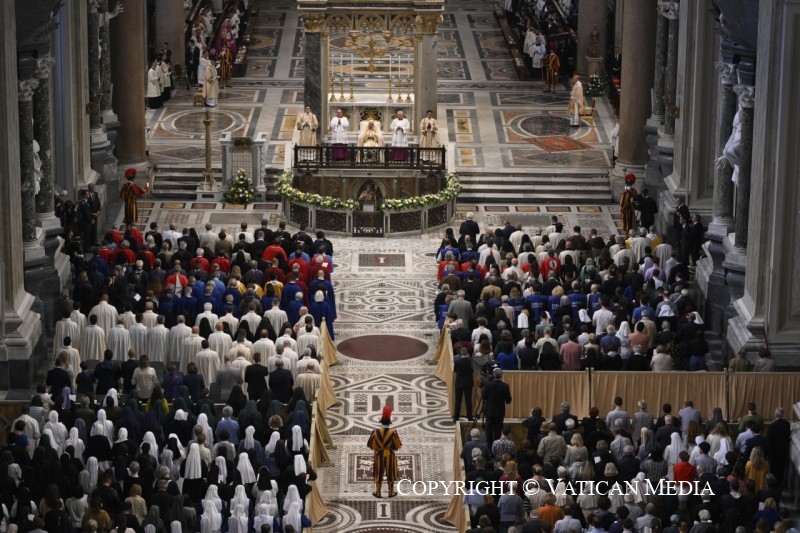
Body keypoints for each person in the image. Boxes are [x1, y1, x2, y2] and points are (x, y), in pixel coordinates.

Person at [367, 405, 403, 498]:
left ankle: (378, 492)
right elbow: (397, 446)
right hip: (389, 454)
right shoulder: (393, 433)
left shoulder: (375, 432)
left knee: (378, 472)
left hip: (378, 455)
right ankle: (391, 492)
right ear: (389, 422)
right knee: (390, 472)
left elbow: (371, 445)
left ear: (381, 421)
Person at [483, 367, 512, 445]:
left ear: (493, 375)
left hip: (489, 411)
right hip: (500, 412)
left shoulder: (488, 385)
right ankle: (496, 445)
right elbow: (508, 401)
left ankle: (489, 446)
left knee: (488, 429)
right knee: (498, 430)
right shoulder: (505, 386)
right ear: (501, 375)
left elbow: (484, 397)